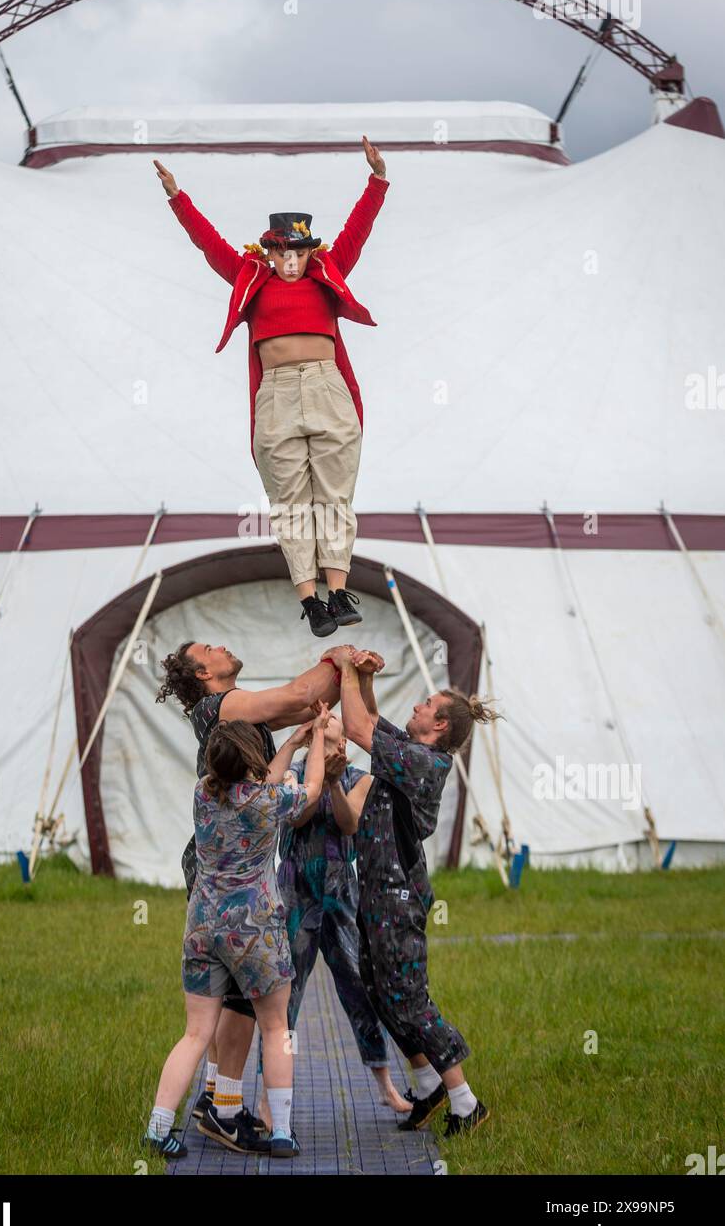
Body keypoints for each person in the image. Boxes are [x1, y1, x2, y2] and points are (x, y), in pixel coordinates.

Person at [154, 136, 390, 637]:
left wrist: (377, 179)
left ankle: (338, 589)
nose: (290, 260)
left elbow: (358, 230)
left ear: (310, 252)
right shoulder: (248, 277)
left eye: (298, 251)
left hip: (327, 389)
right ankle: (311, 601)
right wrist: (178, 197)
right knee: (289, 501)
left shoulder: (330, 270)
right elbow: (207, 241)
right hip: (277, 394)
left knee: (334, 495)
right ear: (269, 251)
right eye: (281, 251)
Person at [155, 638, 345, 1152]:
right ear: (203, 674)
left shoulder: (214, 775)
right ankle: (231, 1111)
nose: (221, 645)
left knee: (214, 1009)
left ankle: (210, 1102)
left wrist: (296, 736)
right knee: (249, 1004)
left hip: (209, 895)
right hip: (244, 898)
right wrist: (340, 662)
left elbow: (297, 710)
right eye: (209, 648)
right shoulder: (222, 705)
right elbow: (297, 697)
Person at [326, 645, 499, 1136]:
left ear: (440, 725)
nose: (419, 705)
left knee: (409, 997)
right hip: (379, 892)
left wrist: (342, 668)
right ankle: (427, 1085)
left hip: (397, 897)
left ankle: (466, 1103)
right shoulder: (411, 751)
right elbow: (373, 718)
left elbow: (359, 730)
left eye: (426, 704)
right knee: (379, 989)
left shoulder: (424, 763)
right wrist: (362, 678)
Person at [256, 709, 412, 1124]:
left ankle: (384, 1083)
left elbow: (348, 825)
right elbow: (297, 816)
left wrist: (331, 784)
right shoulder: (291, 774)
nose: (333, 745)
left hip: (341, 895)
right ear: (312, 742)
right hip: (295, 893)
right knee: (284, 996)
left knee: (361, 988)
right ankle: (269, 1099)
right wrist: (317, 778)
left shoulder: (360, 777)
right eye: (324, 738)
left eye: (338, 738)